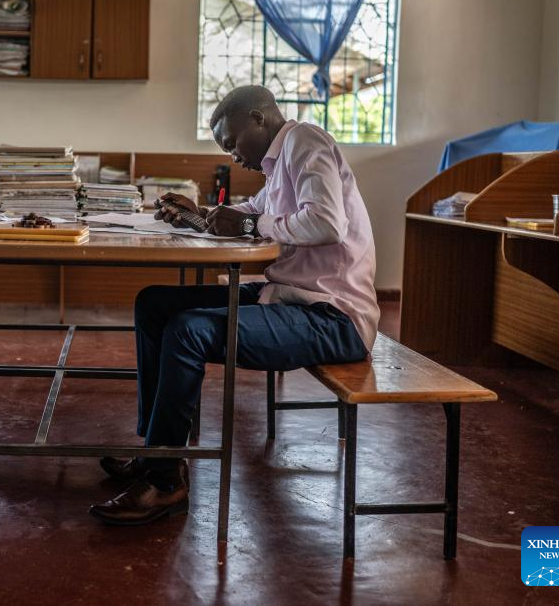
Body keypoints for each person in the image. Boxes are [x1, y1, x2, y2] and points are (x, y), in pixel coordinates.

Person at [89, 85, 379, 525]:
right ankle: (157, 452)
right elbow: (253, 212)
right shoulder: (279, 165)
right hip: (286, 298)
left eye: (231, 143)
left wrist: (249, 221)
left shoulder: (306, 141)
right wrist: (201, 212)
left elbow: (325, 223)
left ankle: (164, 483)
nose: (232, 156)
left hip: (332, 317)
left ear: (259, 119)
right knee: (154, 303)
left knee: (188, 329)